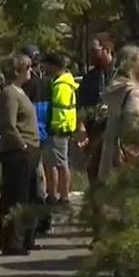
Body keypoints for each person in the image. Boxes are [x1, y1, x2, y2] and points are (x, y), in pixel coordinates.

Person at [0, 52, 41, 255]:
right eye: (27, 67)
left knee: (31, 196)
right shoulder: (9, 93)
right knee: (16, 198)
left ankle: (26, 238)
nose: (31, 71)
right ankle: (13, 242)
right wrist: (22, 145)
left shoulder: (21, 92)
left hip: (30, 150)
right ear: (17, 71)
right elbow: (9, 125)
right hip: (17, 152)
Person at [98, 45, 139, 181]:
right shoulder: (133, 94)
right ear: (130, 66)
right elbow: (134, 131)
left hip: (111, 161)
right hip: (128, 167)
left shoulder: (118, 90)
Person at [19, 45, 52, 234]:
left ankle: (41, 220)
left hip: (34, 138)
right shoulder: (40, 84)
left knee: (37, 182)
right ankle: (39, 219)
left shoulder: (36, 85)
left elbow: (42, 113)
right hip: (36, 137)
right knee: (37, 182)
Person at [77, 35, 116, 186]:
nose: (91, 55)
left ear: (106, 50)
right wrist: (80, 125)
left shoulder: (118, 74)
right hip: (94, 131)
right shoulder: (90, 78)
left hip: (114, 130)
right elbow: (81, 104)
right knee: (93, 169)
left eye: (95, 51)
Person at [41, 52, 78, 205]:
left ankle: (59, 196)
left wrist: (55, 126)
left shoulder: (61, 85)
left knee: (57, 164)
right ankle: (59, 195)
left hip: (58, 129)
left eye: (47, 64)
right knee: (57, 163)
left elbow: (60, 108)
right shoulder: (63, 82)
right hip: (62, 128)